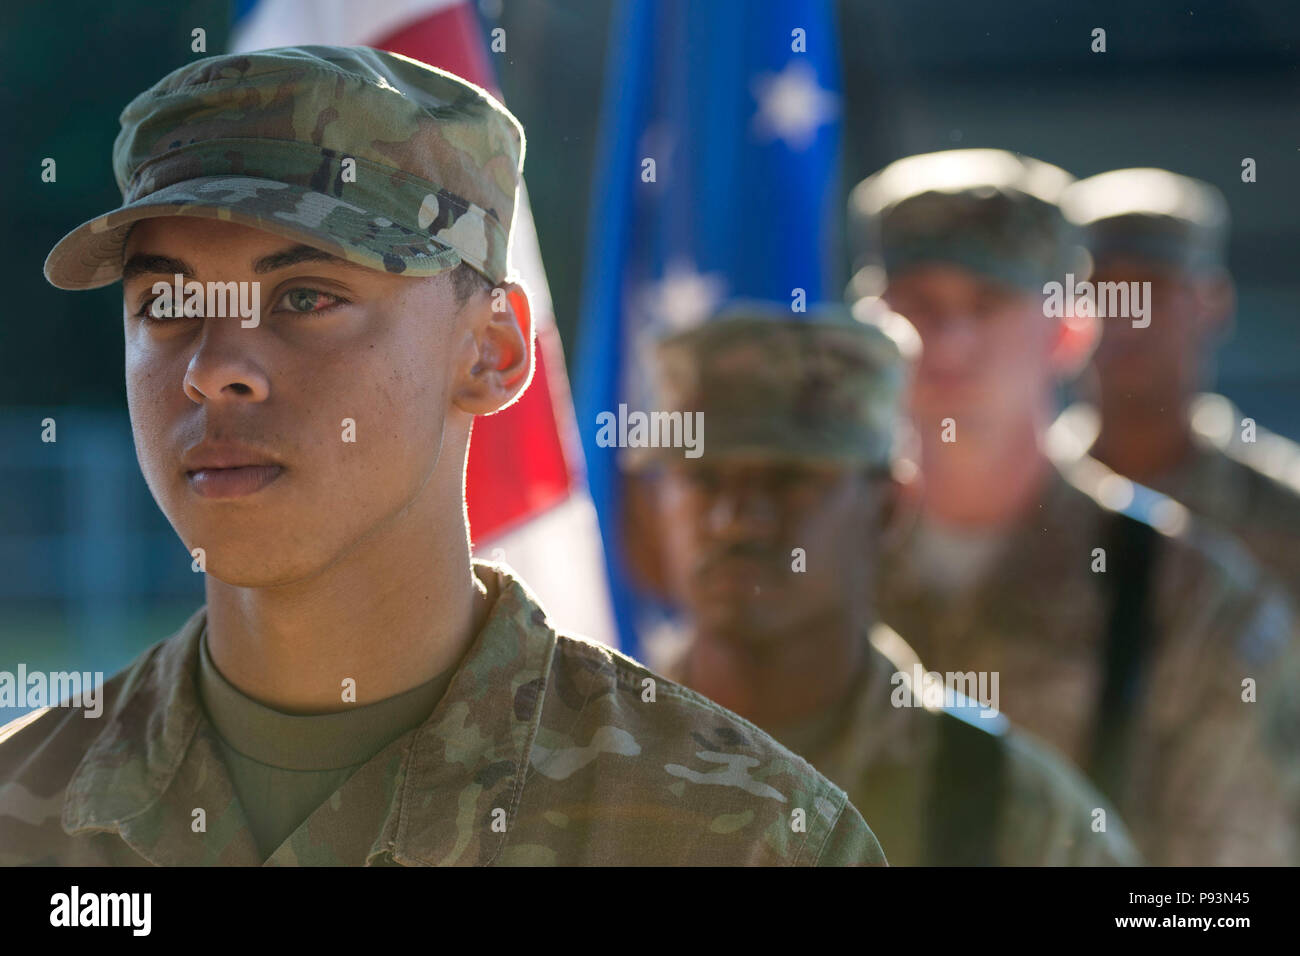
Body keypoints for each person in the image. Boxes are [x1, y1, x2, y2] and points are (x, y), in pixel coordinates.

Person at [0, 46, 886, 867]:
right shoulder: (20, 808)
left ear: (491, 351)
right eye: (164, 301)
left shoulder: (737, 834)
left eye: (306, 296)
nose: (214, 368)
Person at [846, 148, 1300, 865]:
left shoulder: (1192, 604)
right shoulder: (814, 570)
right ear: (872, 328)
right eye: (919, 305)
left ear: (1069, 330)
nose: (950, 341)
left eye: (987, 304)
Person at [627, 299, 1140, 865]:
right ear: (655, 507)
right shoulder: (584, 757)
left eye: (789, 478)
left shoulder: (1009, 812)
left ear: (889, 509)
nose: (737, 518)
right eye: (704, 479)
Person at [1053, 167, 1300, 605]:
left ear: (1214, 303)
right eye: (1103, 294)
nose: (1128, 322)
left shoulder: (1285, 513)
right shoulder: (1019, 503)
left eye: (1153, 291)